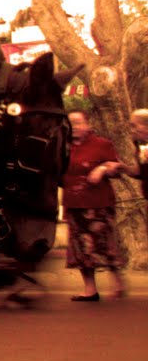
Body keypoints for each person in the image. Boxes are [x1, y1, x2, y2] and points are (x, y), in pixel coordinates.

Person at [61, 110, 127, 301]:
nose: (74, 127)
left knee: (105, 245)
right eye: (71, 123)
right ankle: (90, 290)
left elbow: (117, 169)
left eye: (78, 122)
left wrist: (103, 168)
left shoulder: (101, 144)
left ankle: (118, 282)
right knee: (80, 248)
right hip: (74, 204)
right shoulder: (62, 147)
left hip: (98, 204)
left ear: (88, 125)